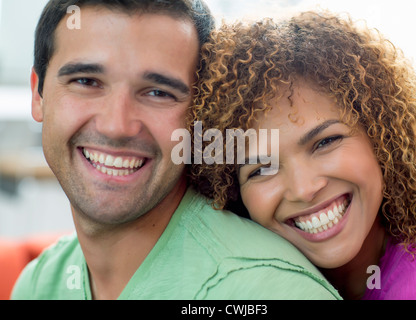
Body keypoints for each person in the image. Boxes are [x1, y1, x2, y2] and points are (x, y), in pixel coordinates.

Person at [11, 0, 341, 300]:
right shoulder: (39, 284)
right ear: (38, 95)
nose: (117, 125)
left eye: (158, 92)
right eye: (86, 81)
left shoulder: (267, 291)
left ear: (201, 115)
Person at [190, 11, 416, 299]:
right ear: (232, 195)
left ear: (382, 139)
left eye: (325, 142)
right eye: (261, 169)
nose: (304, 189)